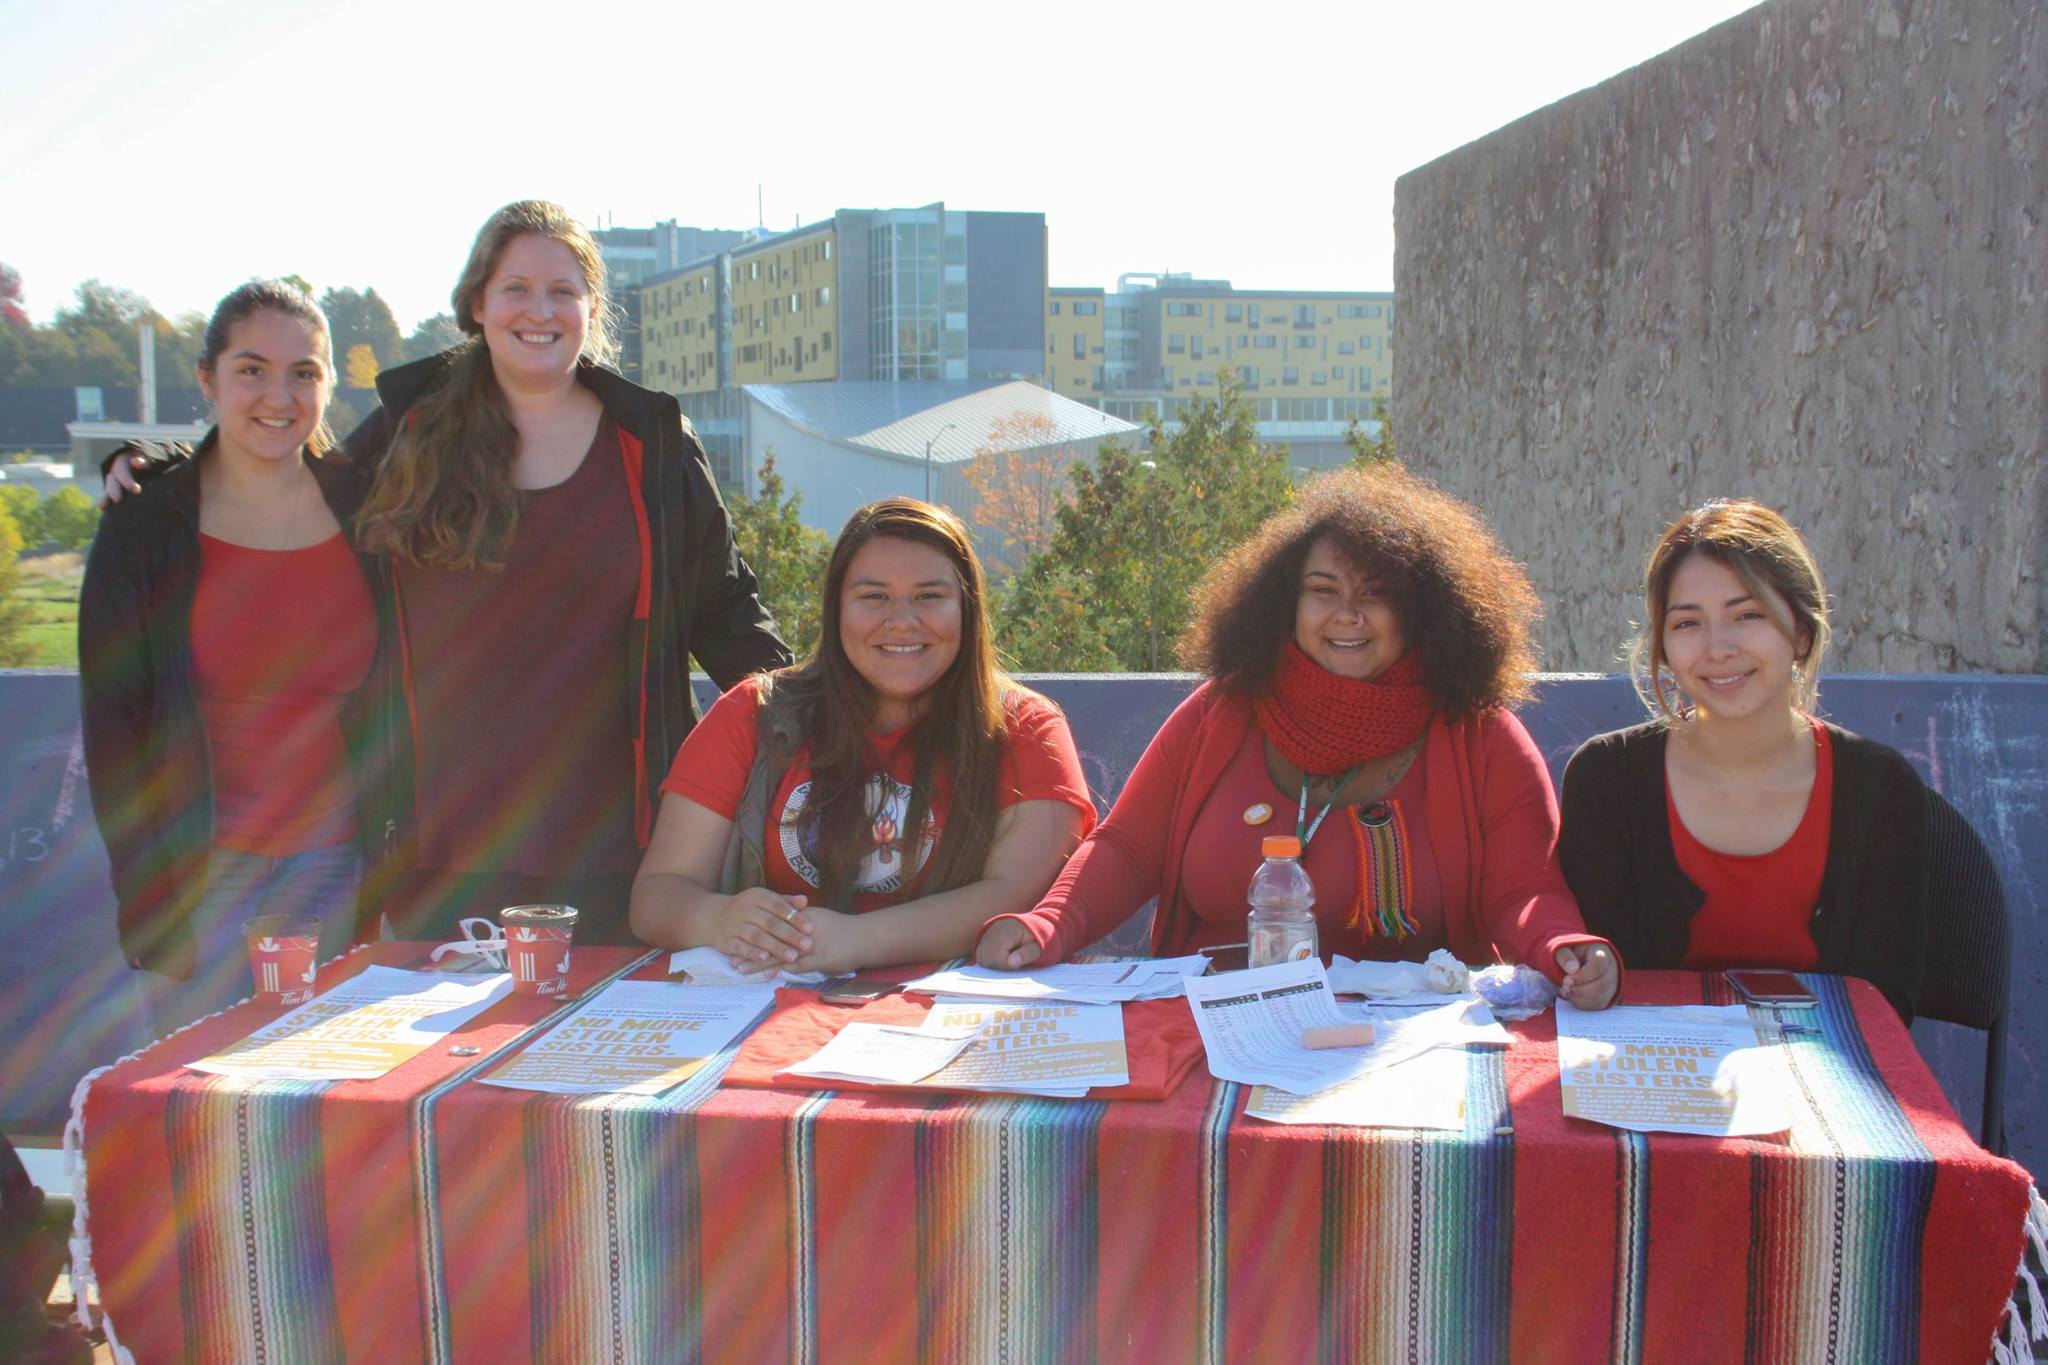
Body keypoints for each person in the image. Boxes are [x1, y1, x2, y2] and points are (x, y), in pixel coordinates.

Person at [109, 202, 790, 946]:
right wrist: (164, 469)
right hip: (441, 853)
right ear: (478, 304)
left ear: (592, 310)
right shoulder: (410, 433)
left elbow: (729, 613)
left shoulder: (651, 447)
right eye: (516, 288)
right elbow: (286, 489)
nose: (540, 311)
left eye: (562, 291)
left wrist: (818, 724)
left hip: (621, 850)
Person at [975, 465, 1620, 1009]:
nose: (1347, 614)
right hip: (1208, 1027)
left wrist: (1563, 948)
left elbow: (1526, 890)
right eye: (1322, 590)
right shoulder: (1221, 711)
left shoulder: (1480, 735)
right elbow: (1127, 850)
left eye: (1376, 593)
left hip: (1402, 1048)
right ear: (1285, 604)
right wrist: (1048, 923)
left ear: (1424, 611)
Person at [80, 281, 389, 1034]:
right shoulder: (146, 524)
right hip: (200, 877)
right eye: (251, 369)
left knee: (308, 1089)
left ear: (328, 384)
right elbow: (113, 728)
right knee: (194, 1092)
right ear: (207, 378)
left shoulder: (367, 511)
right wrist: (147, 897)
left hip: (332, 866)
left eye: (303, 373)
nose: (278, 396)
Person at [630, 499, 1095, 974]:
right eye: (874, 596)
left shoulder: (1028, 728)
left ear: (967, 610)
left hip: (952, 1004)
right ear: (836, 609)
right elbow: (657, 895)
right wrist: (719, 919)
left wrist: (857, 941)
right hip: (772, 1002)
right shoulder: (752, 713)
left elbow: (1022, 898)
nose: (901, 620)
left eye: (929, 596)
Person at [1557, 499, 1930, 1018]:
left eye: (1747, 614)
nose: (1718, 647)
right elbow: (1598, 986)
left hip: (1825, 1062)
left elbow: (1885, 1005)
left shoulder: (1879, 790)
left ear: (1802, 632)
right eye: (1688, 623)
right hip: (1654, 1060)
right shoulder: (1606, 779)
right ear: (1663, 647)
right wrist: (1590, 971)